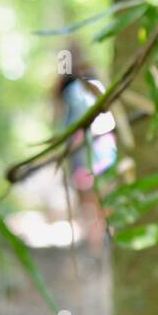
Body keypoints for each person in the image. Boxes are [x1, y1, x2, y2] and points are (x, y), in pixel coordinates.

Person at [52, 45, 117, 254]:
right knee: (104, 194)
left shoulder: (67, 90)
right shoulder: (96, 84)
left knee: (88, 199)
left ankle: (96, 245)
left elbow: (64, 125)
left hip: (82, 152)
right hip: (105, 148)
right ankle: (106, 237)